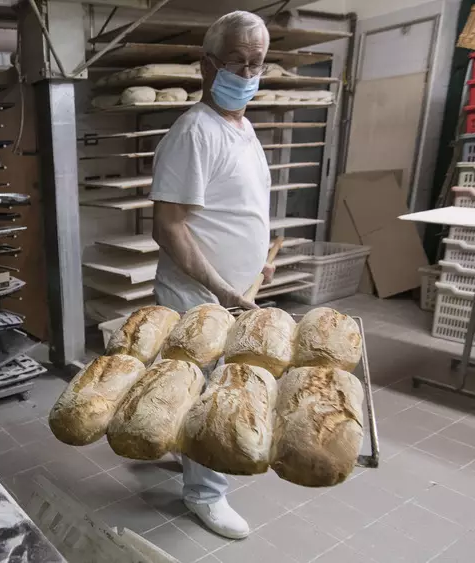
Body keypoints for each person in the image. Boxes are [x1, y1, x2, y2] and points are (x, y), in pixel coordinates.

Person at [149, 10, 276, 540]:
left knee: (200, 390)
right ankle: (205, 494)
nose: (247, 74)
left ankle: (187, 461)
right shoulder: (194, 132)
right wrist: (224, 291)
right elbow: (169, 227)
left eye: (257, 63)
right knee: (213, 397)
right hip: (200, 297)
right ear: (206, 66)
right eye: (235, 62)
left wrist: (256, 267)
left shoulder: (241, 126)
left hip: (233, 293)